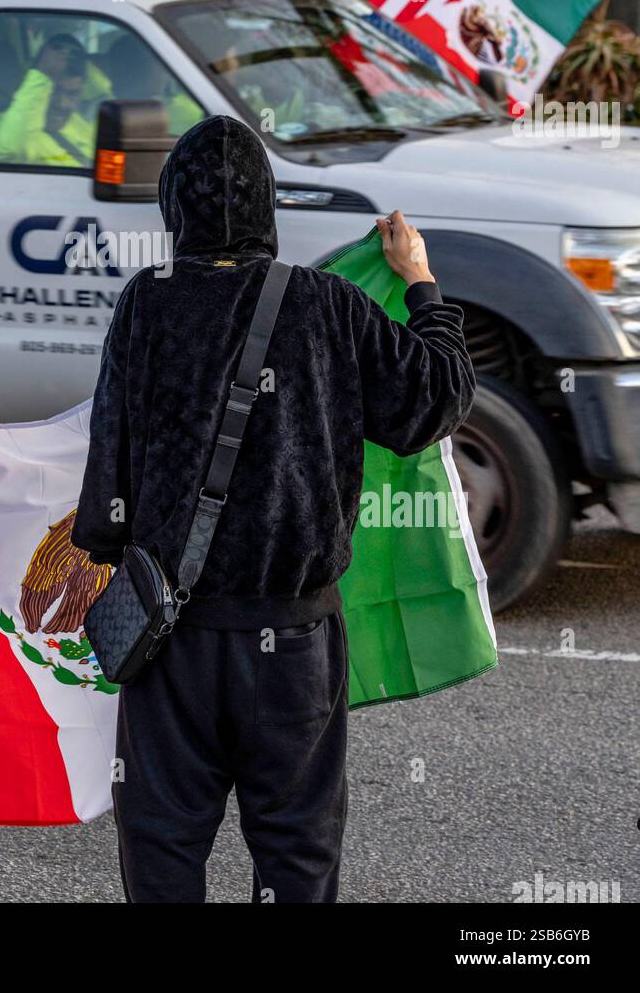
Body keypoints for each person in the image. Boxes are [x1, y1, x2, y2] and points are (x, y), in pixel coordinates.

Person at [71, 115, 475, 903]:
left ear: (173, 209)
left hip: (172, 637)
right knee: (295, 852)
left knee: (162, 845)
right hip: (296, 639)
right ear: (268, 205)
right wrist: (421, 282)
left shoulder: (147, 303)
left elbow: (108, 468)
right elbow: (435, 399)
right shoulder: (329, 304)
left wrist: (114, 544)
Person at [0, 34, 95, 167]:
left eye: (72, 94)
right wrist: (41, 76)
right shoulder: (5, 125)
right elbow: (13, 148)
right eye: (52, 91)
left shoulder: (78, 122)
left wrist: (75, 57)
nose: (62, 104)